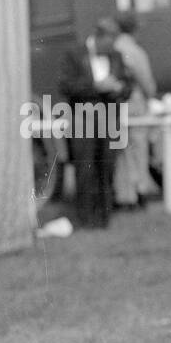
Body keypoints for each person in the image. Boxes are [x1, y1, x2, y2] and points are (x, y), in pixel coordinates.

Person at [57, 18, 132, 229]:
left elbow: (128, 86)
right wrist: (96, 86)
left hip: (109, 120)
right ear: (98, 37)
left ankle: (104, 218)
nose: (111, 49)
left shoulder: (116, 57)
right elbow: (65, 85)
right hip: (83, 120)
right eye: (109, 43)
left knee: (107, 168)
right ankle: (86, 219)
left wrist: (119, 88)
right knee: (85, 169)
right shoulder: (74, 54)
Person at [111, 10, 159, 209]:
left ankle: (125, 195)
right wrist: (151, 95)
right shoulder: (135, 51)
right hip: (135, 105)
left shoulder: (112, 49)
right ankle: (140, 192)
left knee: (122, 152)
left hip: (115, 105)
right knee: (139, 149)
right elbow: (146, 82)